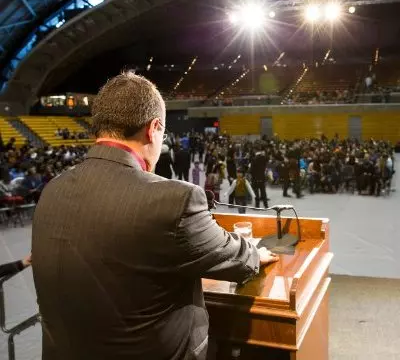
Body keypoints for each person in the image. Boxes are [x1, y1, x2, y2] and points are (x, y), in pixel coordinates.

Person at [32, 72, 278, 360]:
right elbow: (234, 262)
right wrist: (253, 253)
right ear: (154, 128)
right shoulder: (174, 199)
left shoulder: (52, 189)